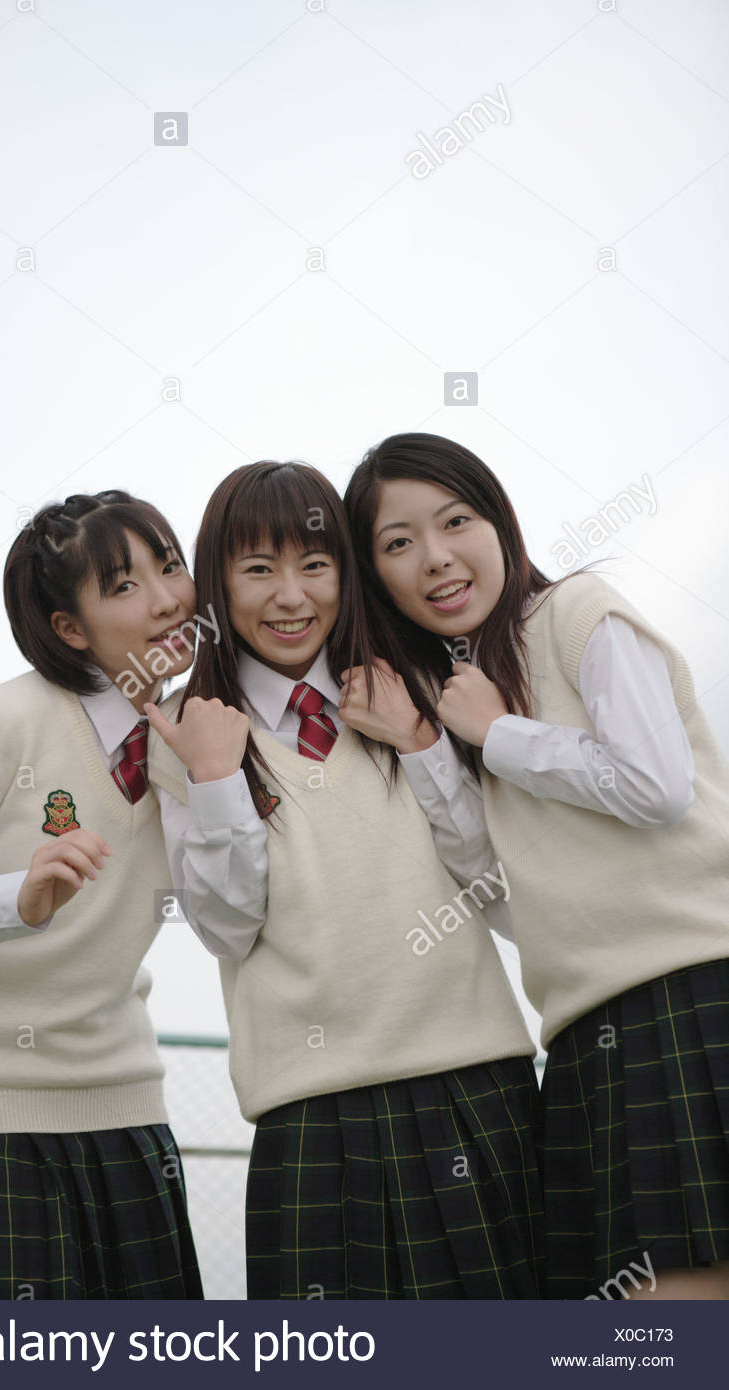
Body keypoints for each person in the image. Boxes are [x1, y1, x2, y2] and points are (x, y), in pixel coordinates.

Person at [145, 459, 543, 1300]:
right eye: (258, 570)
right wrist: (219, 779)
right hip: (311, 1120)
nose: (291, 597)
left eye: (315, 566)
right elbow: (224, 926)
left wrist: (419, 742)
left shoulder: (422, 687)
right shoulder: (185, 734)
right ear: (218, 584)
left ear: (345, 574)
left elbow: (497, 881)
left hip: (476, 1087)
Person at [344, 432, 729, 1300]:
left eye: (456, 521)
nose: (436, 559)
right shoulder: (461, 690)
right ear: (377, 576)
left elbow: (657, 785)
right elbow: (498, 885)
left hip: (694, 994)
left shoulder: (575, 614)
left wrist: (496, 734)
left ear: (500, 523)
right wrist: (424, 743)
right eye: (398, 544)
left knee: (670, 1325)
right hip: (590, 1032)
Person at [0, 490, 203, 1299]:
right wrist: (14, 901)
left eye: (170, 567)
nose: (165, 600)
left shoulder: (191, 733)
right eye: (123, 586)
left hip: (128, 1108)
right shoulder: (4, 720)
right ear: (69, 629)